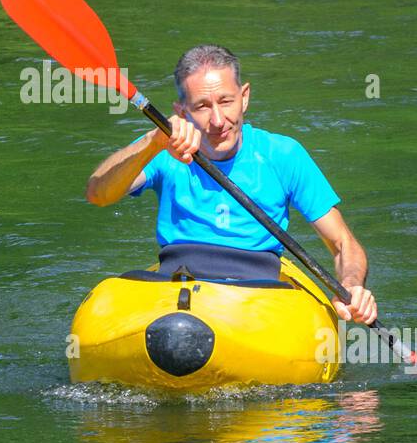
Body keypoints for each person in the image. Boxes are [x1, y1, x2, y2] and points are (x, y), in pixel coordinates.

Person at [85, 44, 377, 325]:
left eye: (226, 101)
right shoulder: (163, 145)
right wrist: (151, 142)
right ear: (182, 111)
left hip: (258, 291)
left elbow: (342, 244)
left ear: (244, 96)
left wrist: (352, 287)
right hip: (174, 284)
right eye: (201, 106)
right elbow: (98, 194)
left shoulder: (283, 154)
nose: (218, 120)